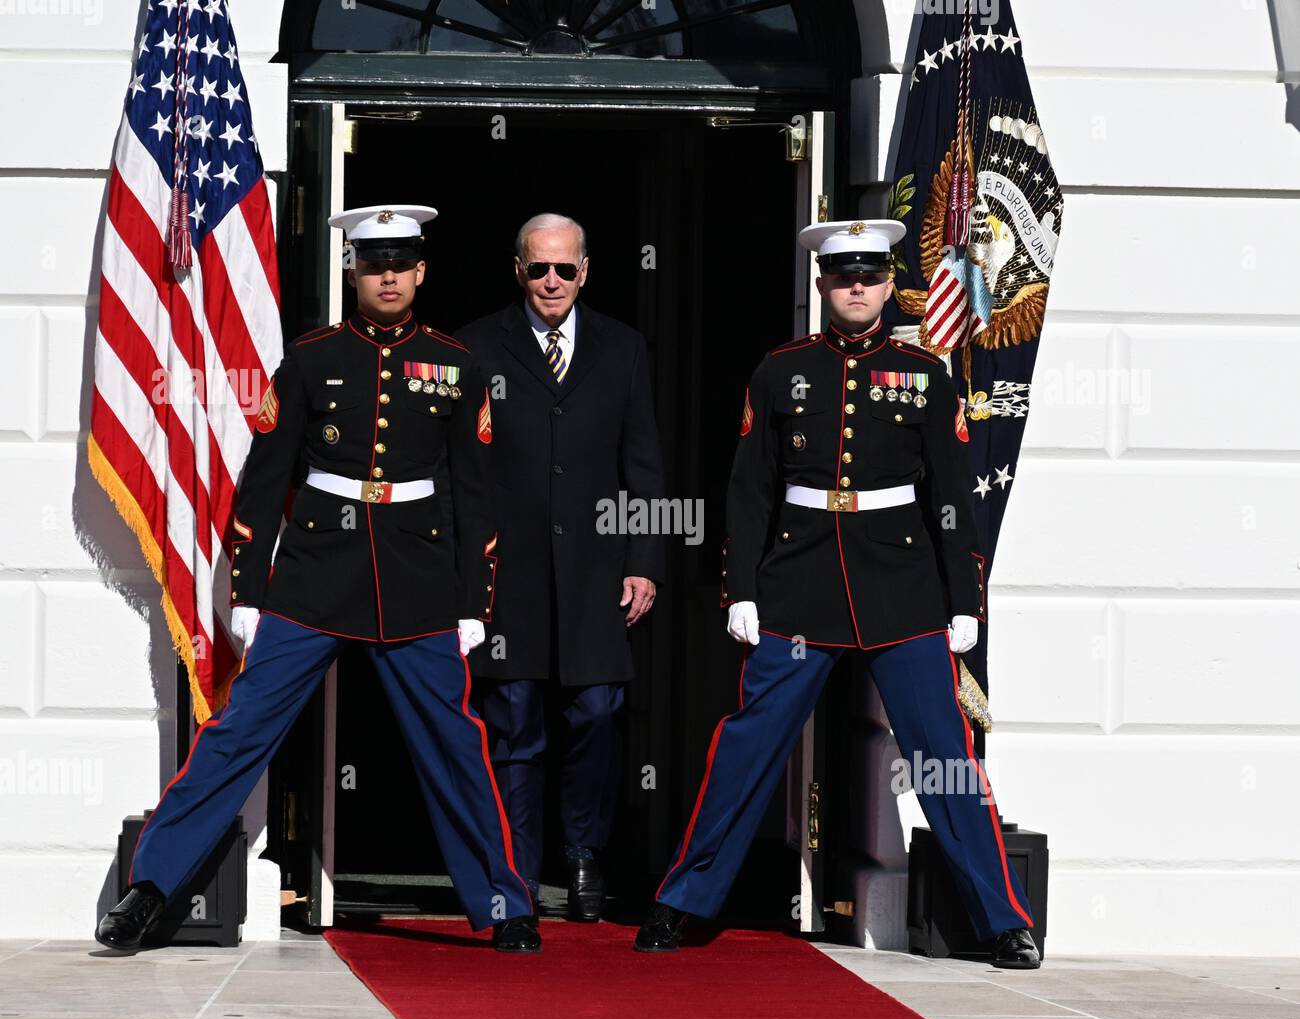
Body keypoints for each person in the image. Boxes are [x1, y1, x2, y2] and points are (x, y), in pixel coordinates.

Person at [95, 205, 538, 954]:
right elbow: (264, 484)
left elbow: (475, 493)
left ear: (421, 271)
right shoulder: (308, 359)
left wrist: (473, 601)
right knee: (237, 732)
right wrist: (248, 590)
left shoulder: (456, 365)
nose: (388, 275)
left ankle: (502, 901)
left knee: (455, 746)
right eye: (373, 263)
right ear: (352, 271)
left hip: (417, 579)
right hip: (313, 577)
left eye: (400, 262)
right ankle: (151, 887)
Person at [634, 219, 1041, 970]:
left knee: (945, 754)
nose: (857, 287)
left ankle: (999, 917)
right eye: (843, 276)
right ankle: (683, 900)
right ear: (822, 285)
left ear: (890, 284)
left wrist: (963, 601)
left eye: (870, 275)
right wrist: (742, 590)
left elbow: (952, 498)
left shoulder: (924, 373)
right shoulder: (779, 369)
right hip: (800, 580)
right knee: (749, 744)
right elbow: (751, 491)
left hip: (904, 587)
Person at [455, 214, 666, 933]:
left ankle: (583, 856)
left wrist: (644, 561)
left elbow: (643, 463)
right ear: (518, 270)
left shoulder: (623, 348)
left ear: (586, 272)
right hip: (505, 574)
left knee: (598, 713)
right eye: (539, 269)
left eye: (565, 270)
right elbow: (461, 469)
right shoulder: (477, 344)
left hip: (596, 571)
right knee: (513, 722)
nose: (552, 282)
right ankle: (514, 870)